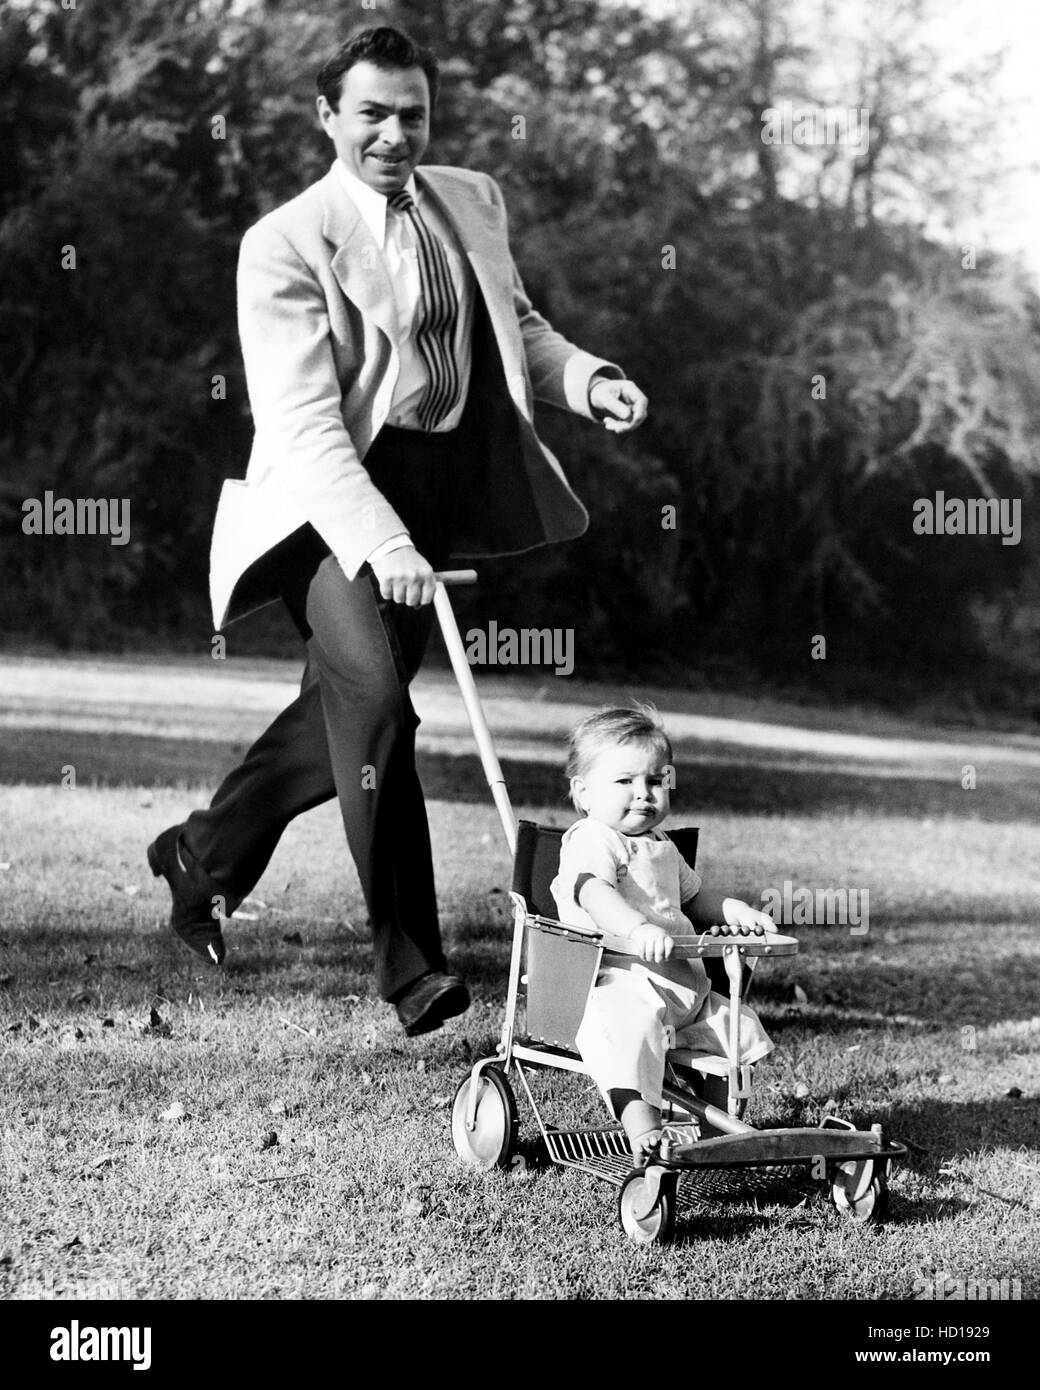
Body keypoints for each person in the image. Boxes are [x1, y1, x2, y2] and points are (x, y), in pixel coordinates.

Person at [147, 26, 649, 1038]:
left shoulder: (470, 197)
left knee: (340, 718)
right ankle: (411, 966)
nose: (393, 133)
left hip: (430, 490)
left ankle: (200, 855)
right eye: (370, 113)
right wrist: (380, 543)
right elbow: (305, 425)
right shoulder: (283, 243)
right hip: (324, 501)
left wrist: (582, 377)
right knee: (378, 703)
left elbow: (517, 325)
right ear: (326, 118)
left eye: (410, 113)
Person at [550, 707, 775, 1160]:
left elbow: (696, 898)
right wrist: (638, 927)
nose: (643, 794)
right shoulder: (593, 838)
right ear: (583, 793)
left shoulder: (662, 845)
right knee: (629, 1032)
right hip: (618, 979)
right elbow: (592, 893)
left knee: (733, 1030)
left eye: (655, 781)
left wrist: (737, 910)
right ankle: (644, 1131)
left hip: (681, 986)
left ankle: (715, 1133)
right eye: (624, 782)